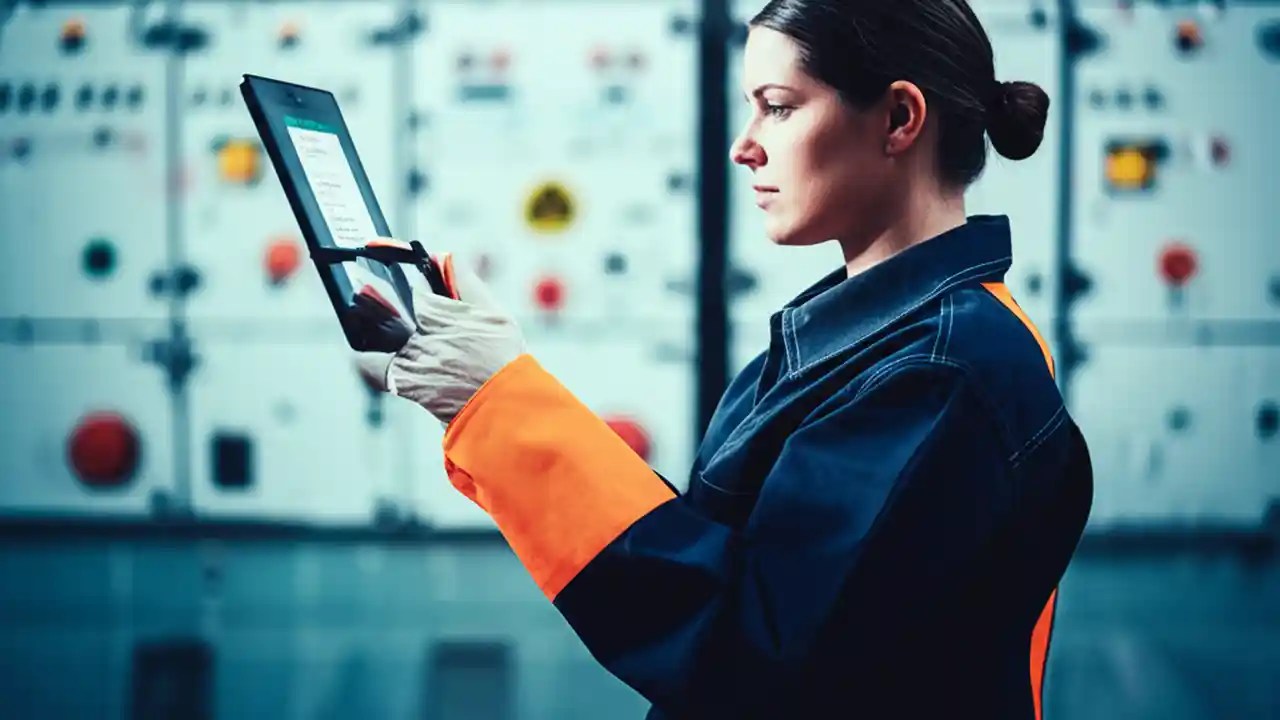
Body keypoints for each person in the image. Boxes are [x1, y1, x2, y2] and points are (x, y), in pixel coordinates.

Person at [353, 0, 1093, 717]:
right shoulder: (895, 334)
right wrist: (501, 381)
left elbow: (751, 650)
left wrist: (501, 405)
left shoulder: (938, 375)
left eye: (778, 106)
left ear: (899, 119)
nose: (744, 144)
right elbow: (733, 554)